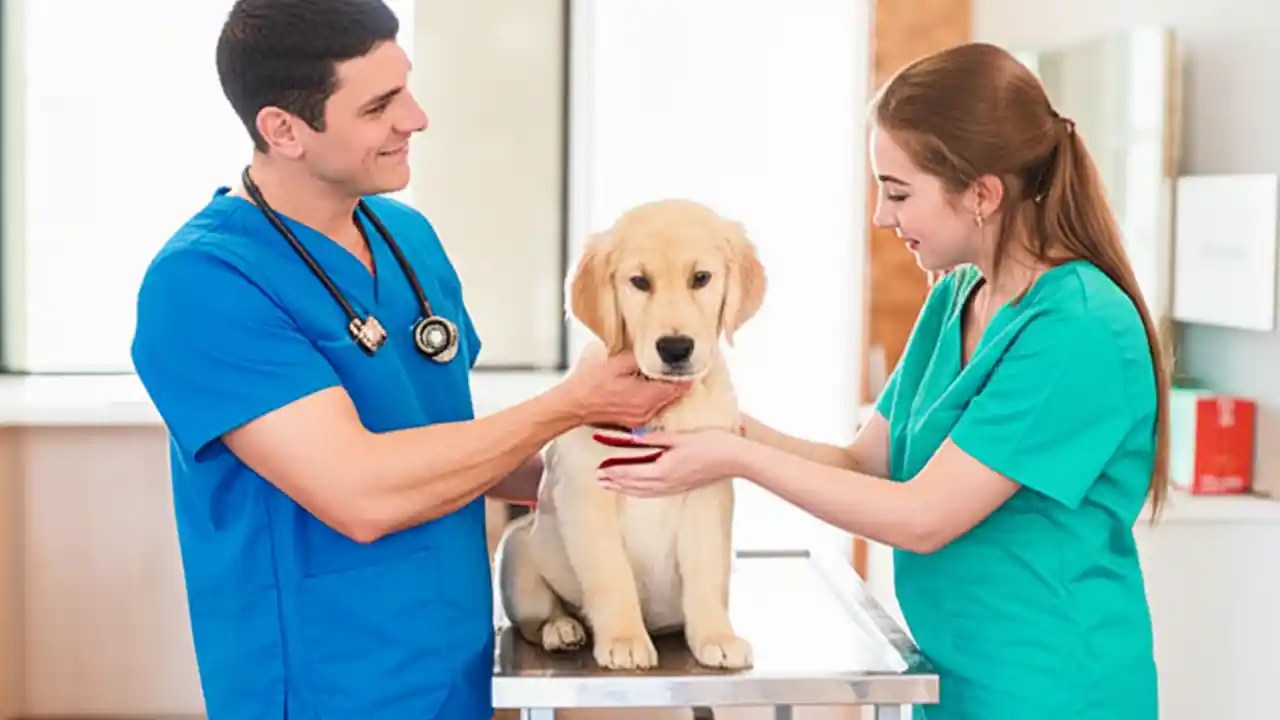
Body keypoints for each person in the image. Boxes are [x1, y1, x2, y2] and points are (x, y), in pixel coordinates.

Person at [129, 1, 687, 718]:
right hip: (322, 685)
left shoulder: (406, 238)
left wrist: (641, 458)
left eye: (407, 88)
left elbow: (449, 442)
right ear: (283, 129)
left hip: (455, 668)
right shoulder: (204, 284)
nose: (416, 118)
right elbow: (362, 494)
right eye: (379, 105)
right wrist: (573, 404)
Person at [595, 42, 1168, 720]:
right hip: (946, 680)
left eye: (898, 192)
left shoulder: (1078, 328)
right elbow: (863, 465)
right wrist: (714, 423)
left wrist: (731, 455)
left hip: (1052, 688)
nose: (880, 216)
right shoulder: (956, 298)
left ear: (981, 194)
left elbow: (922, 518)